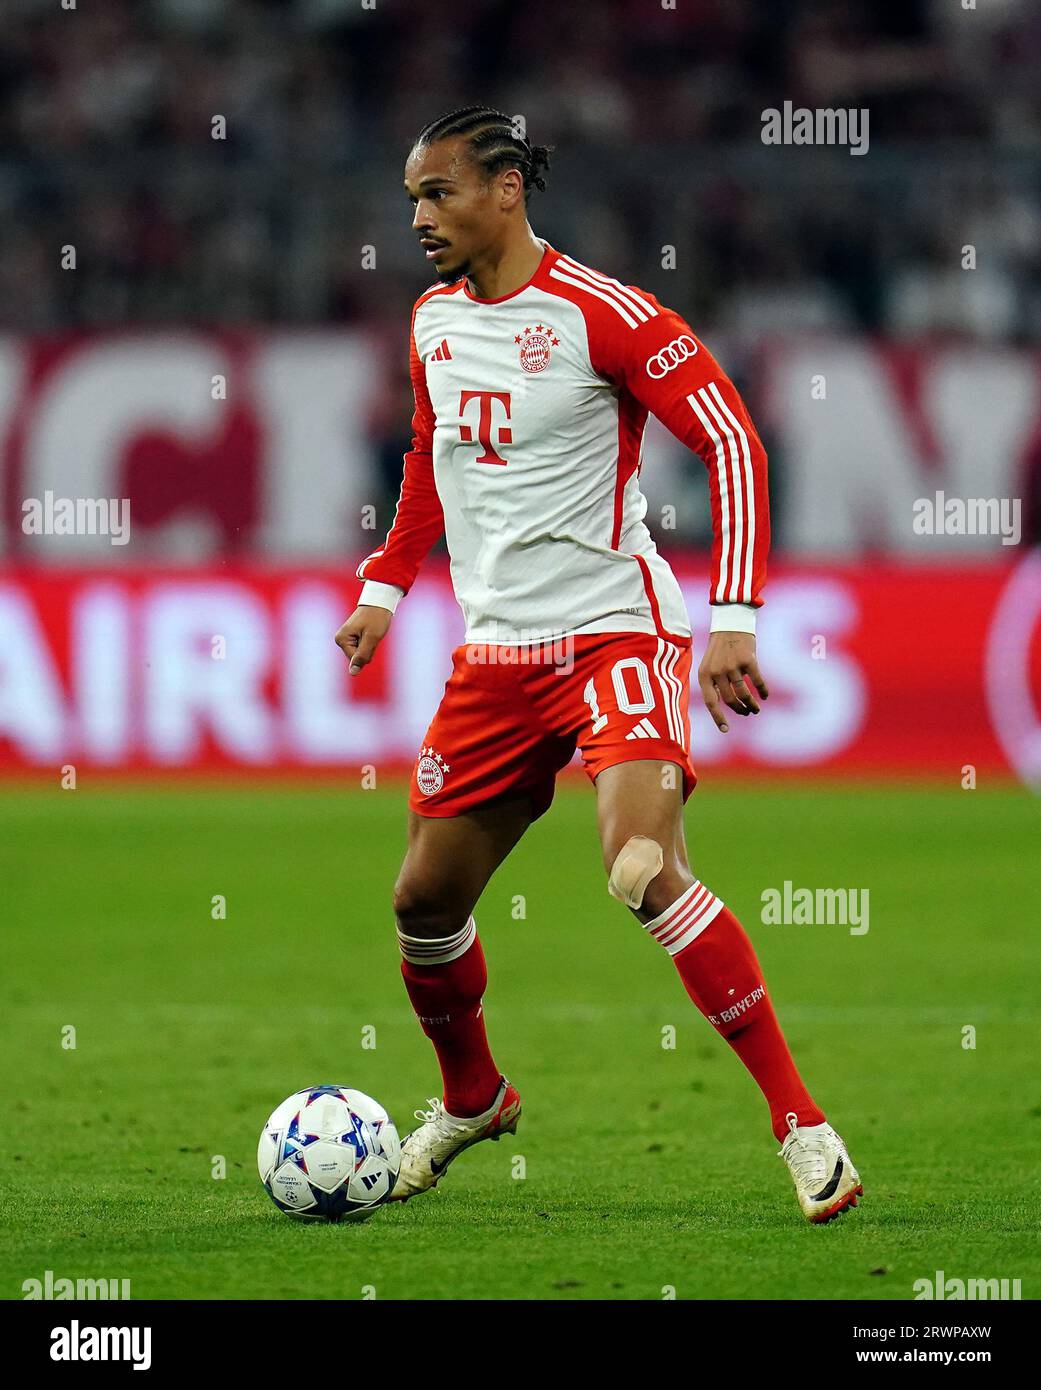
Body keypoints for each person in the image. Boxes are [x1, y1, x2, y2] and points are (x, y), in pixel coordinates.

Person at [336, 106, 862, 1222]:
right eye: (412, 199)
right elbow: (431, 455)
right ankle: (472, 1096)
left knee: (637, 866)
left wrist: (733, 618)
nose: (419, 218)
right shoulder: (431, 319)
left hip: (613, 635)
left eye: (439, 193)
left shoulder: (603, 314)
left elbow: (732, 439)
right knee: (423, 904)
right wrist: (386, 585)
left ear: (508, 189)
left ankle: (802, 1125)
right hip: (494, 658)